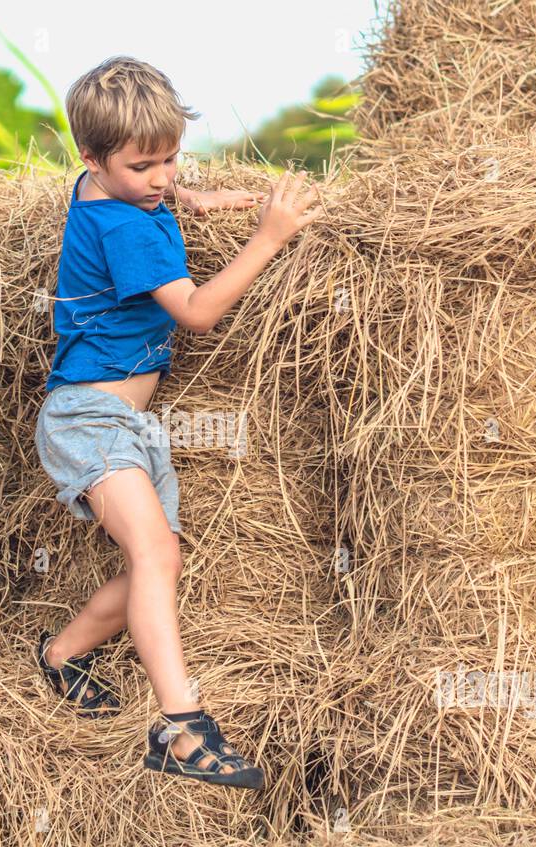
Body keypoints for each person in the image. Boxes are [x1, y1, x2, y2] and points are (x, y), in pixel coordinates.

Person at [33, 55, 323, 789]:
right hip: (88, 418)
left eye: (171, 159)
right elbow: (196, 313)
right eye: (145, 166)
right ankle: (181, 727)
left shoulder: (105, 191)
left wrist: (183, 197)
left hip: (127, 425)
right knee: (157, 556)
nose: (160, 177)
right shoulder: (128, 229)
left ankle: (62, 654)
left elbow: (136, 195)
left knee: (158, 560)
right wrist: (268, 236)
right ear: (92, 157)